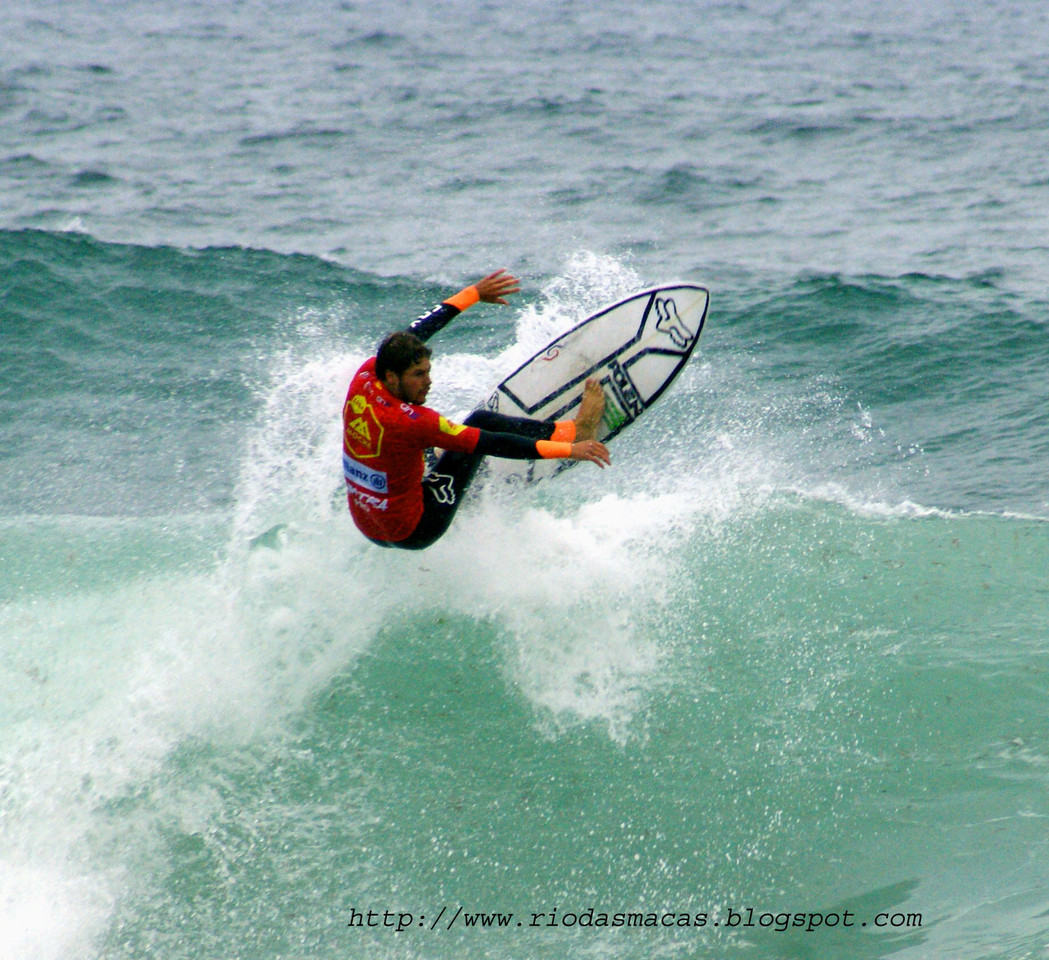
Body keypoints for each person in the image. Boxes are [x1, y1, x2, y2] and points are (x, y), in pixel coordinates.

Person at [342, 269, 611, 549]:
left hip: (368, 523)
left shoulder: (367, 375)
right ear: (391, 376)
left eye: (428, 371)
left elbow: (416, 331)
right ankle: (575, 431)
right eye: (418, 375)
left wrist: (473, 294)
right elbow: (493, 442)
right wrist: (569, 449)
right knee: (482, 422)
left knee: (423, 446)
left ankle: (458, 479)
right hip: (417, 529)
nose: (428, 382)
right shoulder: (414, 421)